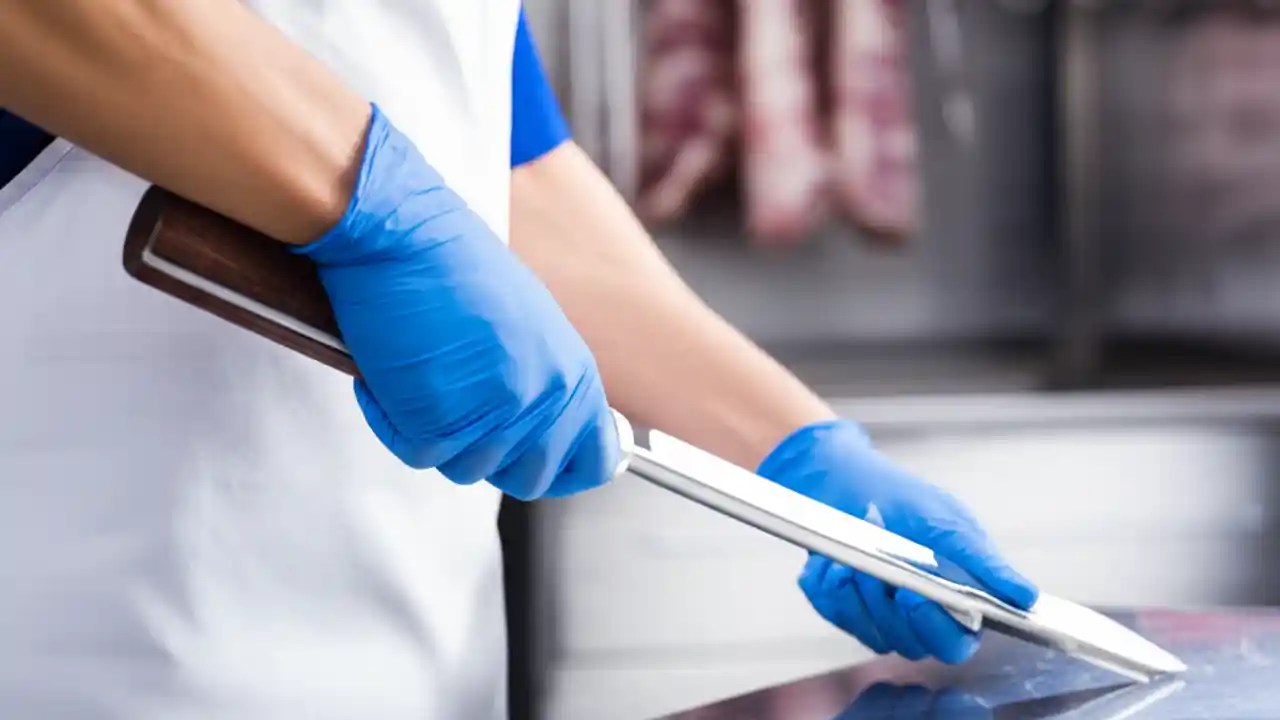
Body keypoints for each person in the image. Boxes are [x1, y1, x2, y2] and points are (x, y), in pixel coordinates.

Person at [0, 2, 1038, 718]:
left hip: (404, 664)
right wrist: (375, 210)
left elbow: (510, 176)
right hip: (77, 648)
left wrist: (800, 453)